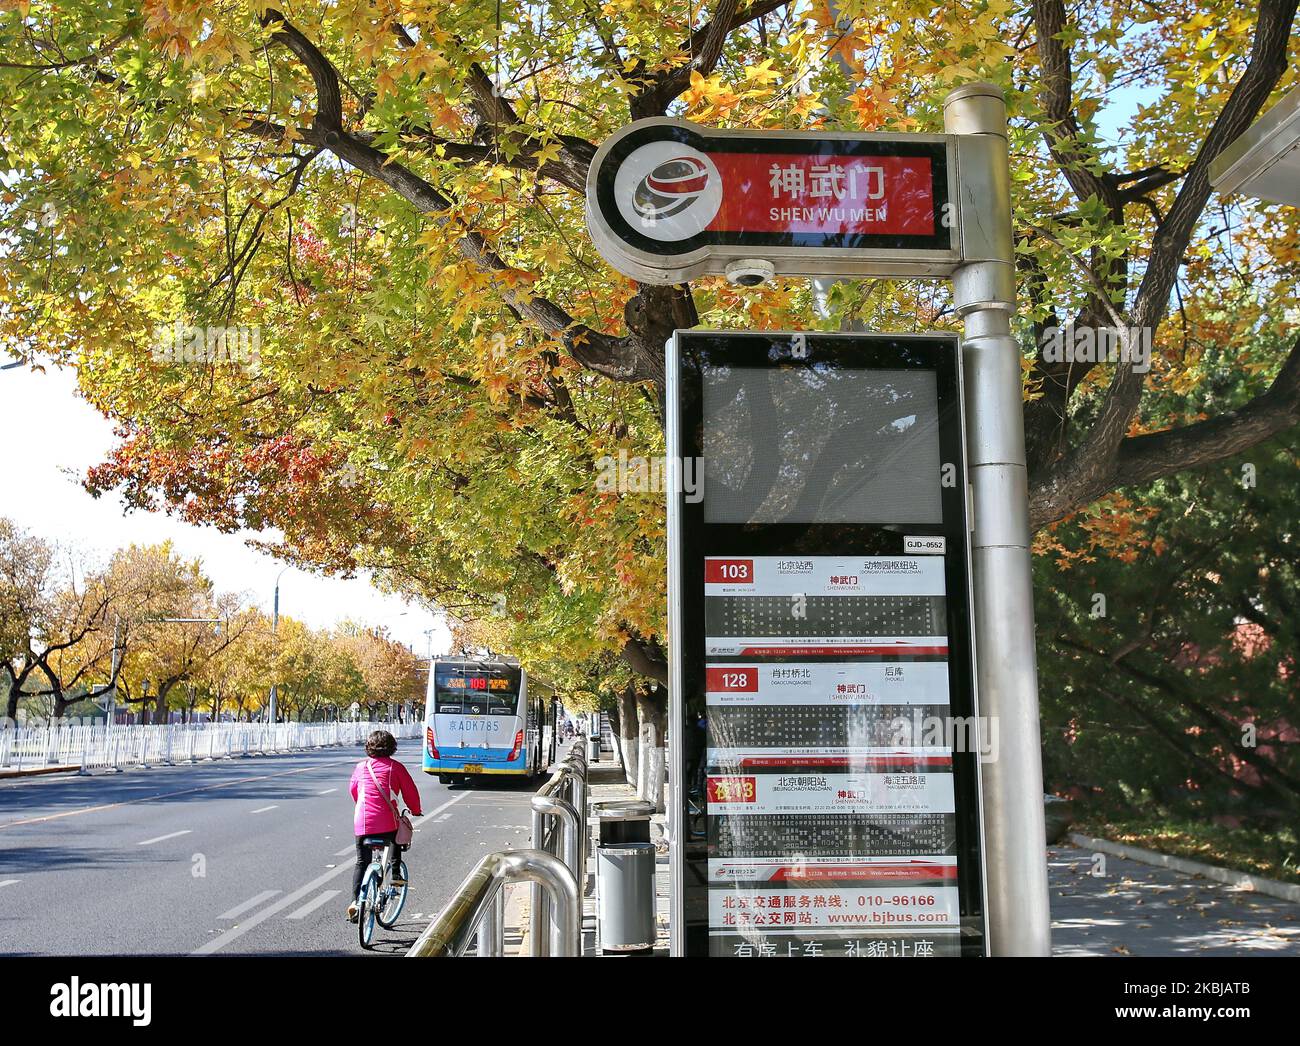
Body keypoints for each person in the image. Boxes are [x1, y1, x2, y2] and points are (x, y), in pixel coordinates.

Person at [346, 729, 423, 922]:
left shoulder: (360, 767)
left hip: (362, 823)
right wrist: (415, 809)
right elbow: (410, 792)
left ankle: (356, 902)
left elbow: (353, 791)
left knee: (361, 862)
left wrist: (362, 807)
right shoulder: (395, 768)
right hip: (387, 822)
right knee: (396, 838)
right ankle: (395, 872)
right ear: (392, 747)